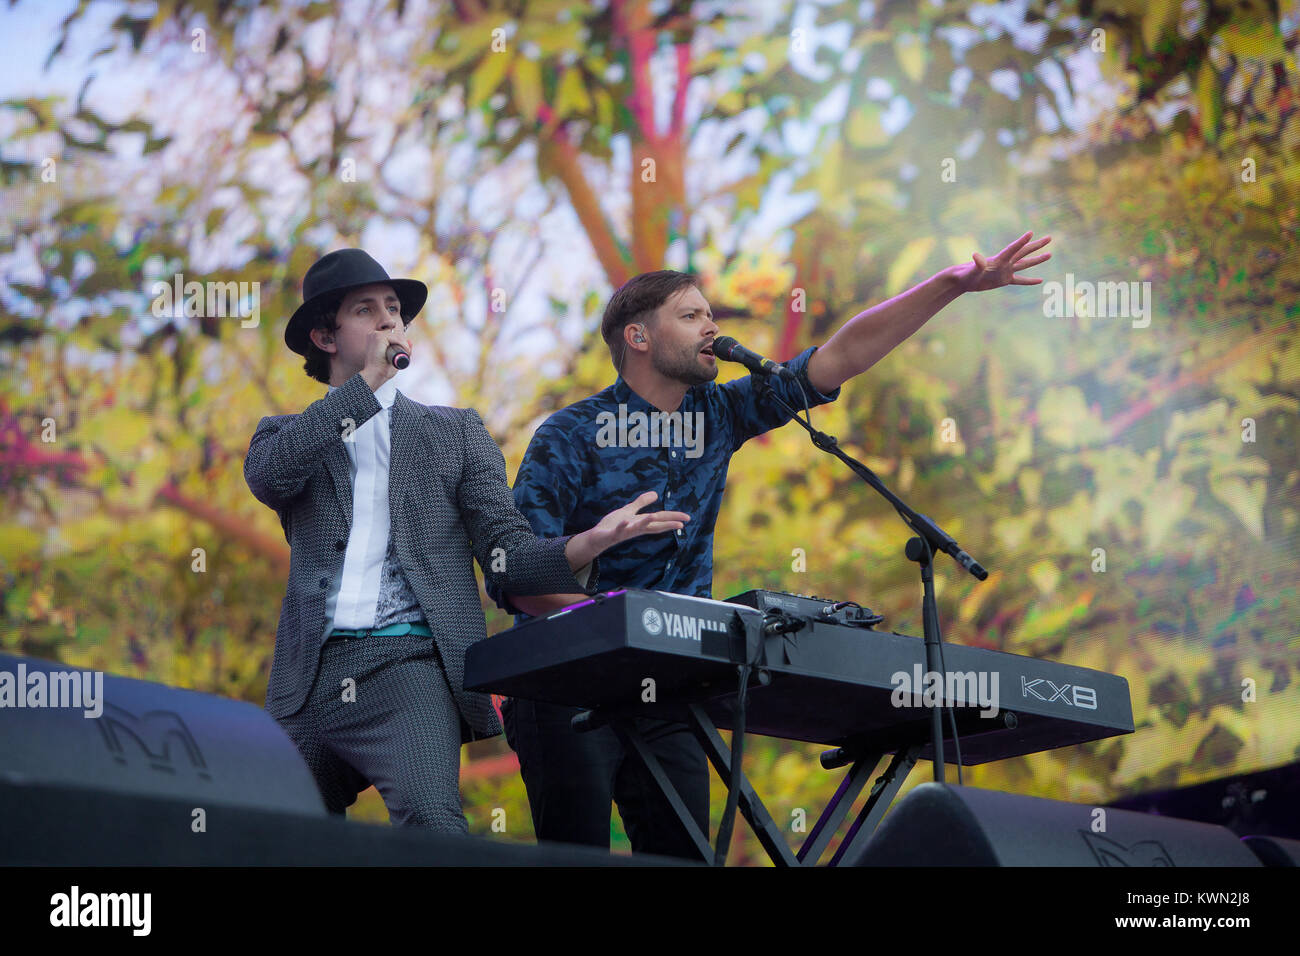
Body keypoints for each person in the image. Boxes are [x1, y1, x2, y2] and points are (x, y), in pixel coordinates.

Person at [493, 232, 1052, 858]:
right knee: (577, 859)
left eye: (711, 314)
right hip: (567, 685)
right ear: (638, 337)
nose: (711, 327)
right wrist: (610, 622)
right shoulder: (570, 434)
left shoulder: (719, 413)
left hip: (671, 690)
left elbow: (844, 354)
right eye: (691, 315)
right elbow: (519, 572)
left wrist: (955, 283)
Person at [243, 248, 688, 831]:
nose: (388, 321)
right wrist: (369, 384)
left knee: (432, 821)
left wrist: (587, 543)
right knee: (272, 837)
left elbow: (507, 556)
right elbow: (272, 476)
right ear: (326, 336)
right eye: (365, 310)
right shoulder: (286, 436)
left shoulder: (454, 434)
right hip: (305, 678)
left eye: (394, 310)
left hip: (406, 664)